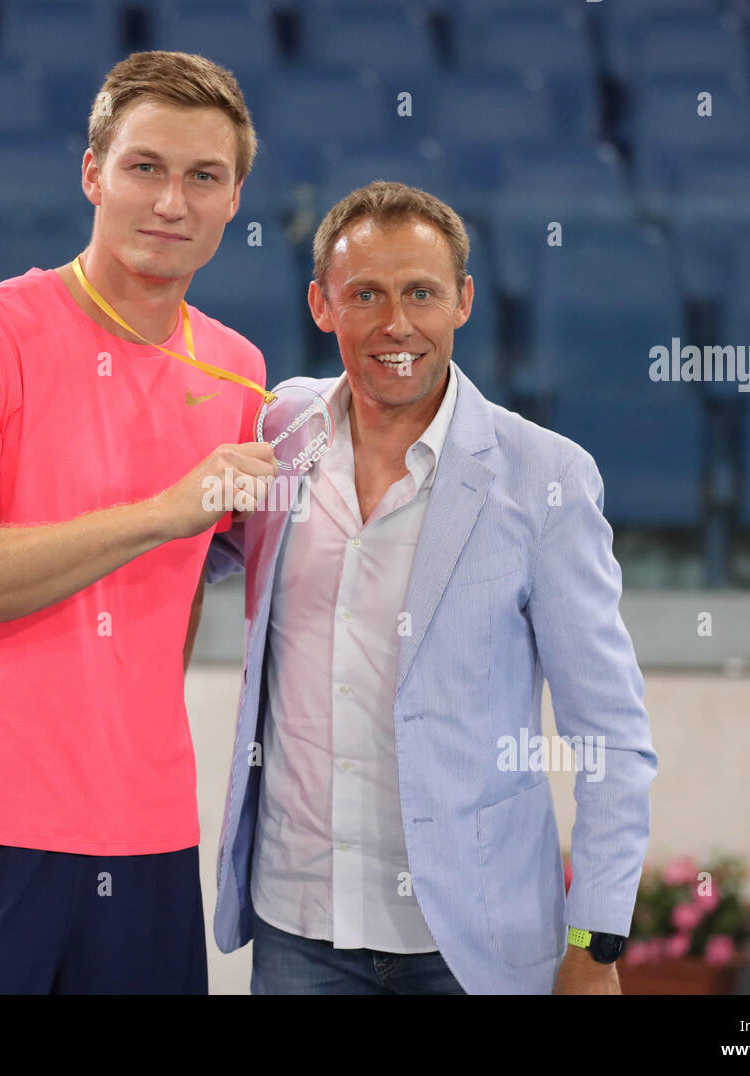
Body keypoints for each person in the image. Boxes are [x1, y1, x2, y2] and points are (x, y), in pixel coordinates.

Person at [0, 51, 277, 995]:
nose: (172, 201)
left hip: (147, 834)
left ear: (235, 198)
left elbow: (181, 599)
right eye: (145, 167)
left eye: (203, 177)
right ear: (92, 172)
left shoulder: (240, 372)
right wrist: (163, 512)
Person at [205, 181, 659, 995]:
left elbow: (611, 735)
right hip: (296, 927)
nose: (396, 324)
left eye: (421, 292)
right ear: (321, 305)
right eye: (365, 295)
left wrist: (595, 945)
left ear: (463, 302)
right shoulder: (277, 436)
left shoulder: (545, 476)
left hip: (475, 944)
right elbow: (170, 561)